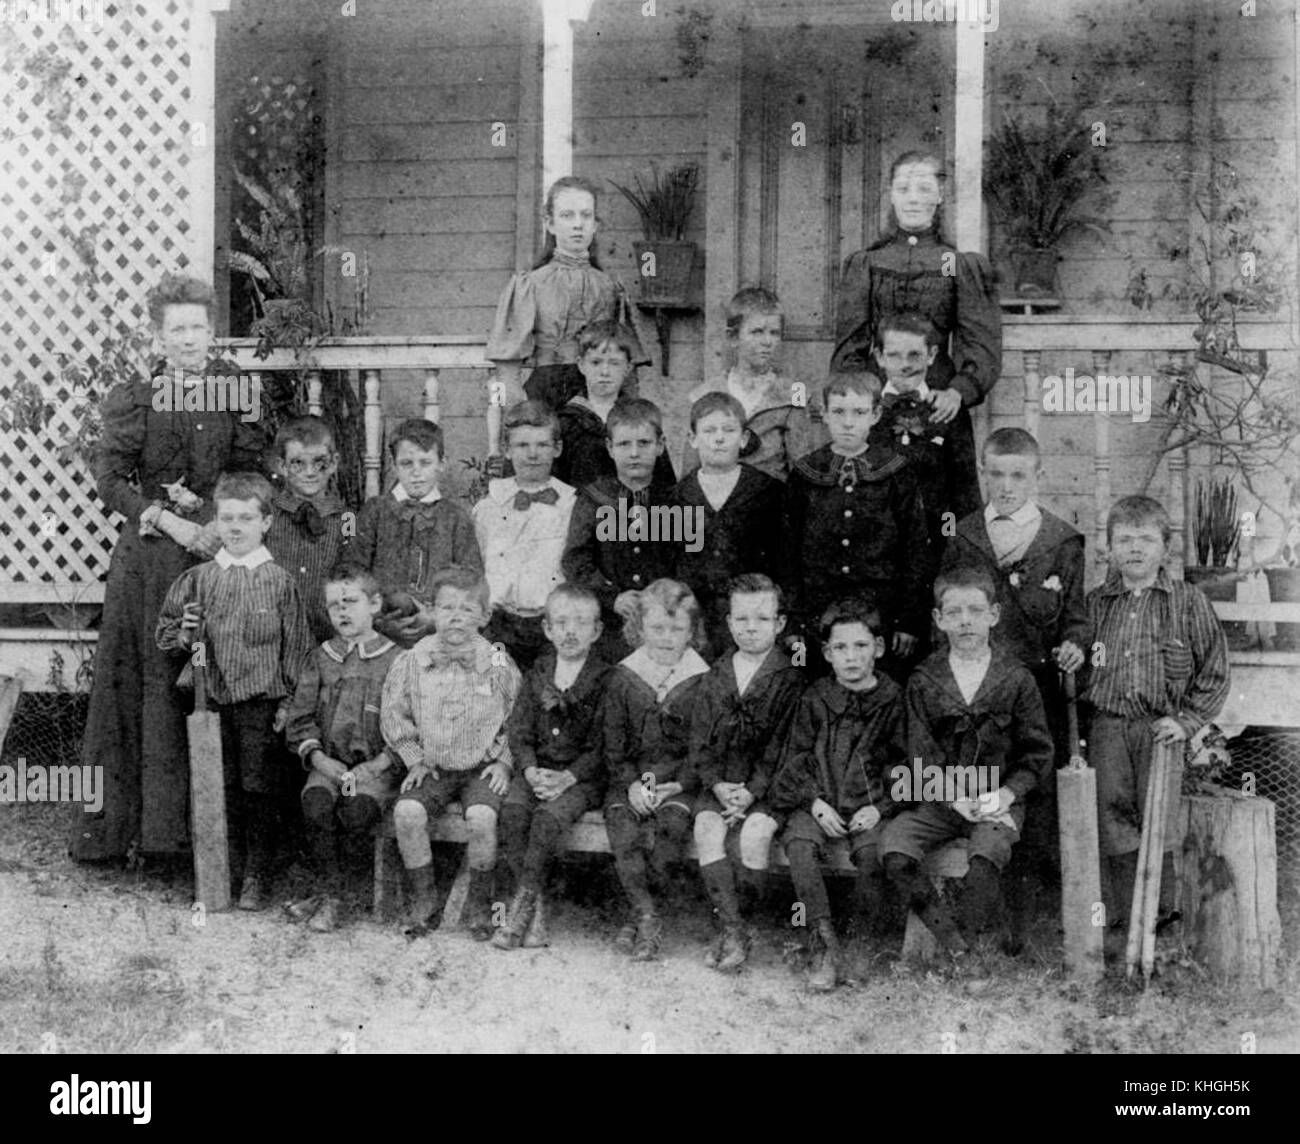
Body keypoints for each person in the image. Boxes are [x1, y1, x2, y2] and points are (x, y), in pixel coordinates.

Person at [71, 274, 266, 865]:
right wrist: (170, 519)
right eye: (177, 328)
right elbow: (109, 480)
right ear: (159, 334)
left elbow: (251, 465)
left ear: (213, 332)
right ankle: (143, 838)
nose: (189, 339)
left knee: (212, 686)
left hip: (219, 548)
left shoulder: (235, 390)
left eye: (198, 327)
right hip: (153, 559)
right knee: (150, 685)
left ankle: (208, 846)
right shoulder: (137, 395)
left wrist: (218, 521)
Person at [940, 427, 1088, 906]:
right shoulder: (963, 535)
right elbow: (945, 607)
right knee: (978, 778)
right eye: (997, 474)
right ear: (983, 473)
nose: (1006, 486)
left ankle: (1032, 898)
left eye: (1018, 475)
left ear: (1037, 476)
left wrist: (1073, 644)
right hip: (976, 689)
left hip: (1036, 687)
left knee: (1032, 784)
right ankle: (980, 888)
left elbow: (1076, 617)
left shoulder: (1061, 540)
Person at [155, 472, 314, 910]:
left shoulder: (280, 582)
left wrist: (288, 706)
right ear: (216, 521)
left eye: (246, 517)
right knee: (216, 788)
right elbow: (166, 635)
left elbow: (298, 652)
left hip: (261, 708)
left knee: (257, 790)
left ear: (266, 523)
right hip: (211, 704)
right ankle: (218, 871)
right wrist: (185, 636)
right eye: (227, 518)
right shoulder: (198, 580)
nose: (236, 527)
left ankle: (257, 876)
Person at [879, 566, 1054, 957]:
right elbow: (918, 753)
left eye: (975, 611)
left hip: (995, 798)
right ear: (938, 620)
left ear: (993, 615)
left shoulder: (1016, 678)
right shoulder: (925, 679)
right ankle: (955, 944)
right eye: (954, 613)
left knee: (985, 857)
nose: (965, 621)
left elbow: (1036, 752)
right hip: (942, 798)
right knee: (895, 848)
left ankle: (972, 941)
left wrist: (1007, 795)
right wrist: (952, 798)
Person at [1083, 496, 1229, 945]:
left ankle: (1161, 931)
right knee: (1113, 822)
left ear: (1165, 549)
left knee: (1158, 826)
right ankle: (1126, 925)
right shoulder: (1095, 604)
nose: (1134, 549)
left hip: (1159, 731)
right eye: (1123, 539)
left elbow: (1215, 671)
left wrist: (1186, 722)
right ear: (1108, 548)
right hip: (1108, 727)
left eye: (1146, 539)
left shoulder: (1186, 602)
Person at [832, 150, 1001, 524]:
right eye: (903, 188)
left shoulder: (957, 264)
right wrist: (862, 400)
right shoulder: (867, 263)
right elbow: (849, 348)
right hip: (876, 408)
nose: (913, 198)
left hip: (939, 405)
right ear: (891, 195)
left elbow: (981, 346)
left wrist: (958, 391)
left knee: (942, 512)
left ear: (940, 196)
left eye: (924, 188)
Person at [769, 597, 908, 992]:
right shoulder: (815, 698)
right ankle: (823, 940)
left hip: (870, 807)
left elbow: (904, 765)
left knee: (872, 855)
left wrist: (881, 809)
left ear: (878, 649)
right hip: (819, 803)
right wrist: (813, 801)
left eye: (861, 646)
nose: (851, 657)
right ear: (827, 654)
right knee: (799, 844)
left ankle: (861, 942)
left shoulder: (894, 700)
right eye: (841, 648)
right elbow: (795, 757)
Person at [380, 567, 521, 940]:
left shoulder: (498, 663)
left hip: (482, 766)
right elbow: (395, 716)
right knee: (407, 813)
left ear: (485, 616)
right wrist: (414, 757)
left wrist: (505, 762)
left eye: (467, 609)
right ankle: (425, 898)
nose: (456, 618)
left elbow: (518, 719)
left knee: (480, 817)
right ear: (431, 611)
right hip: (434, 764)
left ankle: (479, 903)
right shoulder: (413, 660)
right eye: (446, 608)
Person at [690, 574, 803, 972]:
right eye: (741, 619)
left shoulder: (789, 678)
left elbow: (784, 748)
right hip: (721, 783)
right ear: (728, 621)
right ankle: (732, 929)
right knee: (707, 829)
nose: (750, 628)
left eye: (761, 618)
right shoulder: (716, 674)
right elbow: (700, 742)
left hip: (767, 788)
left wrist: (751, 792)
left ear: (780, 624)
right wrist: (718, 785)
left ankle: (746, 924)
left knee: (755, 835)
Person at [784, 370, 931, 674]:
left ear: (876, 415)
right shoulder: (805, 474)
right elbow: (787, 553)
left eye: (859, 412)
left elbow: (915, 550)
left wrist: (908, 620)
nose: (848, 422)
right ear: (824, 414)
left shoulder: (897, 472)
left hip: (883, 610)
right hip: (818, 611)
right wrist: (795, 621)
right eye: (838, 412)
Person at [284, 564, 403, 932]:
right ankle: (329, 892)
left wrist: (383, 762)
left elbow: (408, 721)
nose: (342, 612)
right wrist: (318, 757)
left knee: (356, 813)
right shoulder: (321, 658)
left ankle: (338, 896)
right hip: (329, 764)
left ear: (375, 604)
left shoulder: (397, 659)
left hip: (373, 767)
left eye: (351, 602)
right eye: (334, 605)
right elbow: (300, 717)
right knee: (317, 806)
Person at [493, 584, 610, 951]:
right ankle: (535, 907)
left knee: (546, 820)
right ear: (546, 629)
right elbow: (520, 731)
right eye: (561, 622)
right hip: (538, 772)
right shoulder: (539, 672)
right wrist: (528, 770)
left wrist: (568, 777)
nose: (570, 631)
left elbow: (606, 745)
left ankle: (522, 906)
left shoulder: (607, 679)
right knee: (512, 811)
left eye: (580, 622)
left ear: (597, 630)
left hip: (582, 779)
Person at [601, 579, 711, 961]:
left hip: (677, 782)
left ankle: (641, 916)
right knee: (623, 829)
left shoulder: (701, 679)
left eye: (677, 629)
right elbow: (613, 745)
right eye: (657, 629)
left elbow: (702, 747)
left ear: (692, 631)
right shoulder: (624, 676)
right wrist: (631, 784)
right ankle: (646, 914)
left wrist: (678, 784)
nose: (666, 638)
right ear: (639, 629)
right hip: (631, 780)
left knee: (672, 829)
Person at [487, 175, 647, 414]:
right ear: (550, 224)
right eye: (567, 215)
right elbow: (506, 371)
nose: (577, 224)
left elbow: (628, 367)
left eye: (586, 215)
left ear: (595, 225)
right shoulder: (530, 284)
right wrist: (519, 418)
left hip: (600, 397)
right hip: (545, 396)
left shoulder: (610, 287)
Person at [561, 397, 679, 662]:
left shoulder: (675, 500)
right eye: (624, 444)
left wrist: (663, 598)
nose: (634, 453)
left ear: (660, 446)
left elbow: (686, 560)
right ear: (610, 448)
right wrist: (612, 598)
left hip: (665, 621)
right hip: (608, 627)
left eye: (644, 443)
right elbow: (576, 559)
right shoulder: (593, 499)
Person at [671, 392, 785, 657]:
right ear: (693, 439)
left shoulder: (769, 492)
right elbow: (670, 561)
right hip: (696, 620)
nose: (719, 438)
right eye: (709, 430)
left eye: (729, 430)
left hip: (751, 619)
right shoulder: (677, 497)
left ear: (743, 438)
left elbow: (784, 560)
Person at [352, 418, 482, 647]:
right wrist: (378, 622)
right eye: (406, 463)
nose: (416, 473)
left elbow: (471, 581)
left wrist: (435, 620)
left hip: (439, 635)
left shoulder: (456, 517)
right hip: (380, 632)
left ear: (442, 463)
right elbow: (354, 574)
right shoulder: (375, 511)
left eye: (425, 462)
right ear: (393, 465)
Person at [472, 400, 577, 671]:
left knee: (547, 691)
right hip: (498, 626)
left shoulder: (571, 506)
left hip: (551, 626)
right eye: (522, 445)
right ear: (507, 450)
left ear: (558, 449)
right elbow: (477, 565)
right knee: (496, 683)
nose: (533, 454)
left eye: (542, 445)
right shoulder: (488, 507)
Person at [682, 287, 826, 482]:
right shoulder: (705, 394)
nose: (767, 341)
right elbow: (689, 473)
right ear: (733, 337)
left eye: (774, 333)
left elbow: (801, 467)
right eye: (757, 332)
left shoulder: (794, 393)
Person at [552, 319, 675, 490]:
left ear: (628, 367)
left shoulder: (642, 418)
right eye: (596, 362)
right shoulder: (565, 422)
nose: (604, 372)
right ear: (581, 365)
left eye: (614, 363)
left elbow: (664, 483)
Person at [265, 415, 351, 646]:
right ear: (282, 466)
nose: (310, 472)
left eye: (319, 462)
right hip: (274, 636)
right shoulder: (265, 516)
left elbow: (353, 570)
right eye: (298, 463)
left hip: (327, 636)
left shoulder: (347, 519)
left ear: (333, 463)